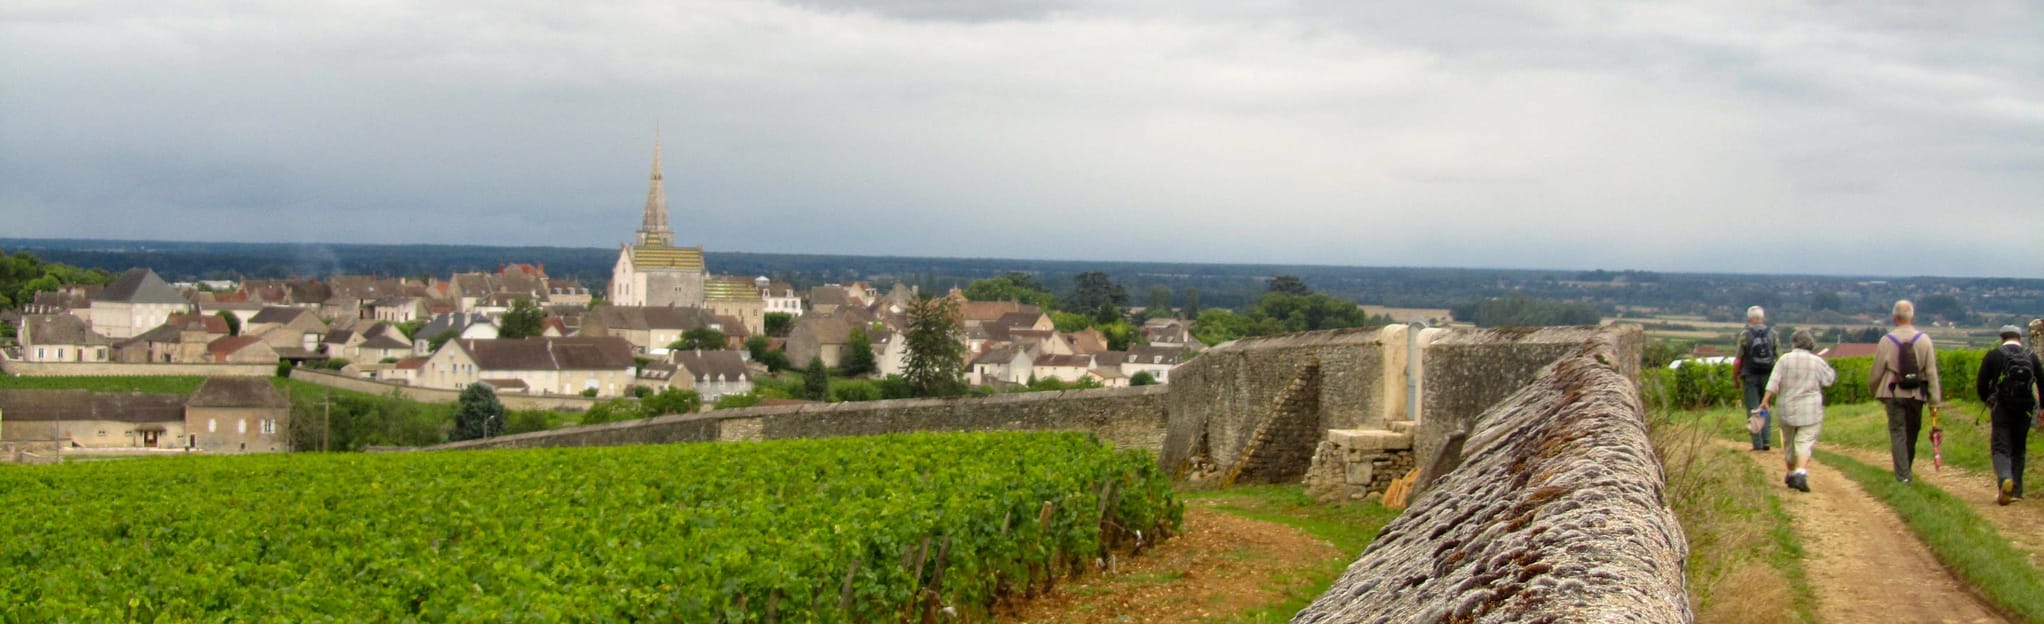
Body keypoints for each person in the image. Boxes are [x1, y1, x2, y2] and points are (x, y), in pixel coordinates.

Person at [1868, 300, 1941, 483]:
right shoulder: (1924, 340)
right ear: (1912, 318)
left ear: (1895, 318)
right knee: (1912, 432)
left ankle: (1903, 475)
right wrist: (1934, 400)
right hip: (1917, 394)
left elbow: (1876, 371)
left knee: (1897, 432)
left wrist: (1874, 390)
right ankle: (1906, 469)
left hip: (1893, 392)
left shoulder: (1886, 340)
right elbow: (1931, 372)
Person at [1976, 325, 2043, 505]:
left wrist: (1989, 400)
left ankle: (2005, 478)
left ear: (2002, 338)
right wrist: (2041, 408)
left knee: (2000, 447)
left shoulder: (1994, 355)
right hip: (2025, 409)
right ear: (2019, 339)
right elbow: (2042, 383)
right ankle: (2017, 490)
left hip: (2002, 408)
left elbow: (1981, 384)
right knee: (2019, 448)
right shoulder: (2031, 356)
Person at [1761, 330, 1835, 493]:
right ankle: (1800, 473)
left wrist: (1765, 400)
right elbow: (1829, 380)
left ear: (1793, 343)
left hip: (1787, 407)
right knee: (1804, 441)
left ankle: (1790, 472)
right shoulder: (1817, 361)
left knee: (1788, 442)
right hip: (1810, 409)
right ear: (1810, 344)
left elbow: (1773, 381)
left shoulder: (1784, 360)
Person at [1735, 306, 1780, 451]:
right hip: (1768, 374)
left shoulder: (1745, 334)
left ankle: (1757, 443)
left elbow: (1738, 360)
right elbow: (1779, 356)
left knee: (1753, 408)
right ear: (1763, 318)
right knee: (1765, 405)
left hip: (1749, 374)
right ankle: (1767, 441)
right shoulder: (1772, 333)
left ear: (1750, 319)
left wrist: (1735, 377)